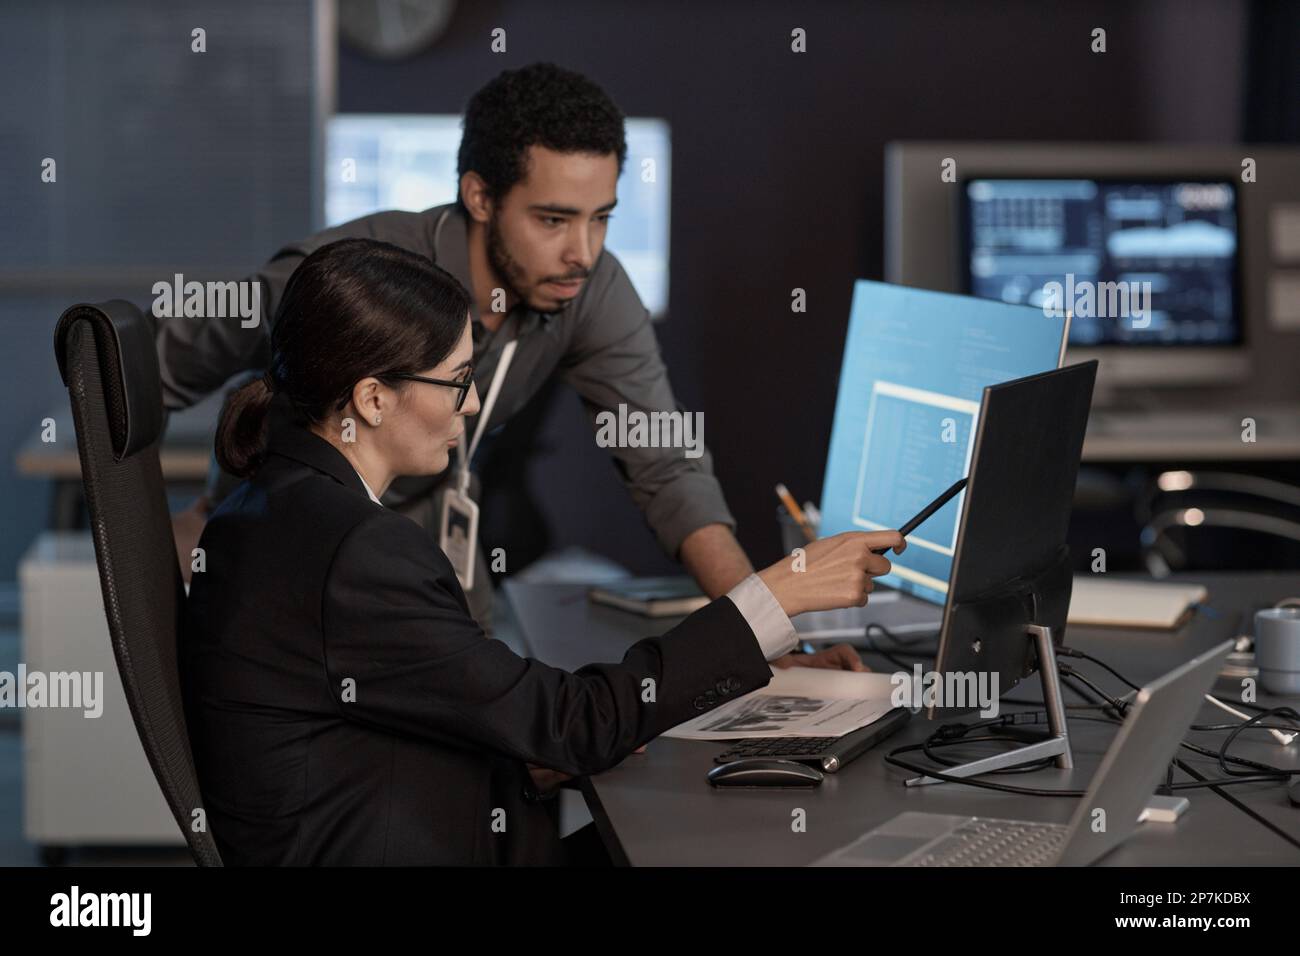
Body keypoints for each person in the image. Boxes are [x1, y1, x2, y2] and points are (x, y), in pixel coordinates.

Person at [180, 238, 905, 866]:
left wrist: (529, 748)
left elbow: (393, 724)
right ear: (372, 398)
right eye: (458, 382)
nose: (469, 407)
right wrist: (778, 595)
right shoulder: (359, 553)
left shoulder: (268, 505)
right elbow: (576, 723)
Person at [158, 62, 856, 669]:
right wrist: (160, 539)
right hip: (294, 563)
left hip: (434, 570)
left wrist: (771, 640)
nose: (583, 251)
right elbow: (155, 367)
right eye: (553, 220)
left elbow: (666, 464)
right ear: (480, 198)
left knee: (508, 767)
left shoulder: (591, 288)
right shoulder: (354, 272)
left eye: (602, 218)